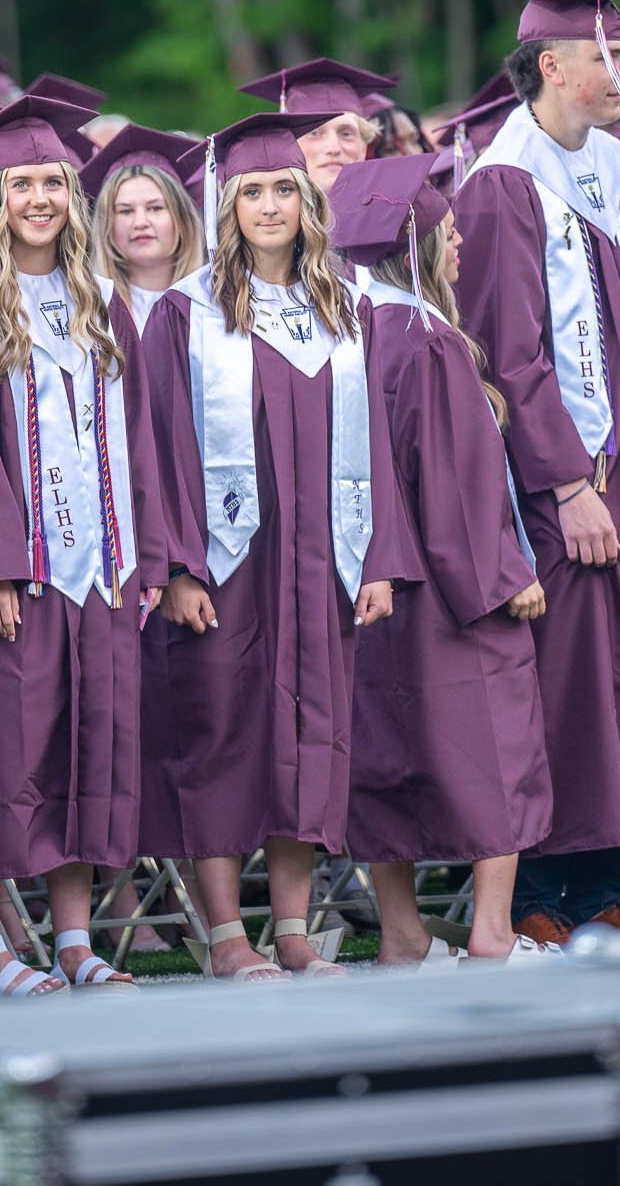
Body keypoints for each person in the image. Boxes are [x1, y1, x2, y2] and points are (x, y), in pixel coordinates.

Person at [138, 112, 412, 980]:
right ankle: (226, 935)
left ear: (306, 201)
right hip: (228, 566)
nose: (268, 204)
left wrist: (379, 560)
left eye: (282, 189)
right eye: (251, 190)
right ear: (227, 204)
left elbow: (377, 443)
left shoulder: (344, 306)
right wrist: (177, 564)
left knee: (312, 737)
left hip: (322, 563)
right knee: (219, 731)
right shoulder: (185, 313)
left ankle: (292, 931)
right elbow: (157, 439)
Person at [454, 0, 620, 945]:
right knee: (566, 675)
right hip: (566, 476)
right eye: (608, 55)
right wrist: (564, 483)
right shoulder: (503, 181)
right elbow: (504, 352)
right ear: (551, 65)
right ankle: (538, 892)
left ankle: (600, 881)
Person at [0, 96, 158, 996]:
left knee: (86, 750)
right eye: (20, 183)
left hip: (101, 567)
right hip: (17, 576)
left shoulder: (102, 302)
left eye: (53, 182)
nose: (39, 198)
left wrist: (149, 555)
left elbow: (142, 435)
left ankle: (73, 939)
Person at [331, 154, 552, 964]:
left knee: (386, 758)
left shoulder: (348, 330)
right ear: (418, 245)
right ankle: (493, 934)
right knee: (499, 747)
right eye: (449, 234)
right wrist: (503, 578)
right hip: (454, 593)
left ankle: (402, 934)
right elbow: (454, 480)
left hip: (376, 587)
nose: (460, 247)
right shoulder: (427, 338)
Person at [85, 123, 203, 325]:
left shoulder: (215, 305)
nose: (140, 222)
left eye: (155, 208)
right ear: (106, 225)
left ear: (182, 217)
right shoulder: (88, 310)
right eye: (125, 211)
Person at [240, 58, 398, 194]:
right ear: (286, 147)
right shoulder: (268, 223)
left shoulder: (399, 220)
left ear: (364, 147)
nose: (333, 148)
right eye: (314, 133)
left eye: (346, 134)